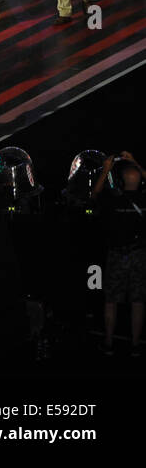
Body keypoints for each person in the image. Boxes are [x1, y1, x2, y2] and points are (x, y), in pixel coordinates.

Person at [92, 152, 145, 357]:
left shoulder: (112, 202)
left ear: (121, 183)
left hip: (116, 255)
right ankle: (135, 345)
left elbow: (95, 195)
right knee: (138, 302)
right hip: (139, 255)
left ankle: (108, 343)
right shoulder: (143, 199)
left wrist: (105, 170)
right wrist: (134, 162)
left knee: (111, 301)